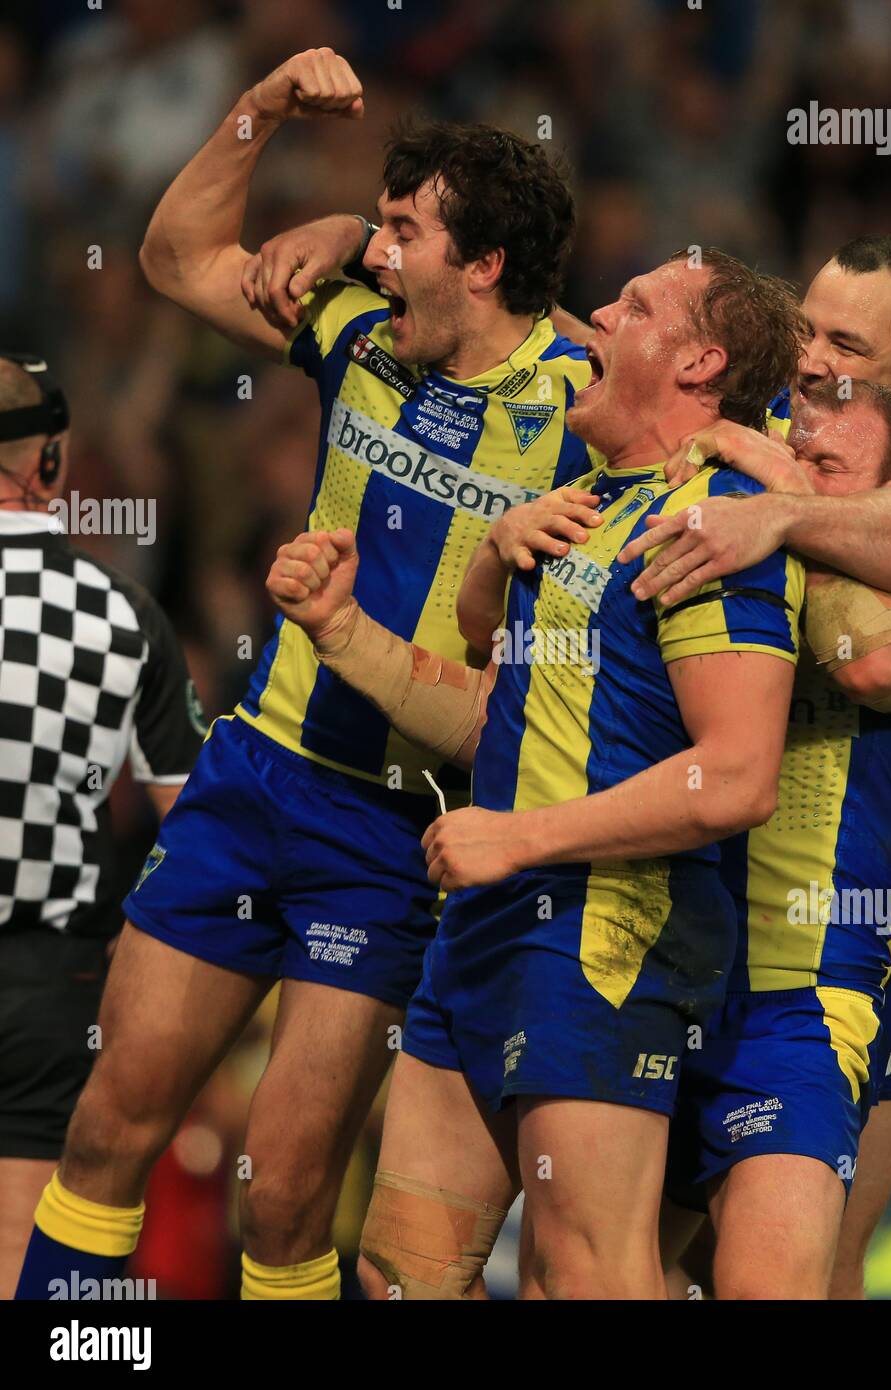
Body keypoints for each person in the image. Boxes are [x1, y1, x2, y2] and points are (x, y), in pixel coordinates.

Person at [16, 48, 598, 1302]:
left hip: (394, 829)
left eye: (405, 231)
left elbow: (701, 395)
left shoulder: (577, 402)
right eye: (378, 227)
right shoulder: (358, 335)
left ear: (486, 265)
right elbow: (176, 259)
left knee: (279, 1199)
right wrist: (262, 111)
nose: (378, 254)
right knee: (111, 1128)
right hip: (253, 777)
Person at [269, 250, 807, 1299]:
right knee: (399, 1274)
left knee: (586, 1272)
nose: (599, 310)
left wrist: (518, 837)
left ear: (701, 362)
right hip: (486, 920)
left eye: (636, 305)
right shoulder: (589, 499)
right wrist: (353, 623)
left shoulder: (712, 523)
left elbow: (738, 776)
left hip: (603, 930)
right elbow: (498, 708)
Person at [624, 235, 891, 1297]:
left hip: (865, 913)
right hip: (697, 899)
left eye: (846, 344)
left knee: (816, 1267)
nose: (808, 360)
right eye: (804, 329)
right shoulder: (740, 418)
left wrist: (784, 505)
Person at [0, 353, 202, 1299]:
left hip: (56, 967)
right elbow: (193, 829)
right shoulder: (123, 615)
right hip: (52, 978)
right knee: (17, 1255)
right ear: (53, 463)